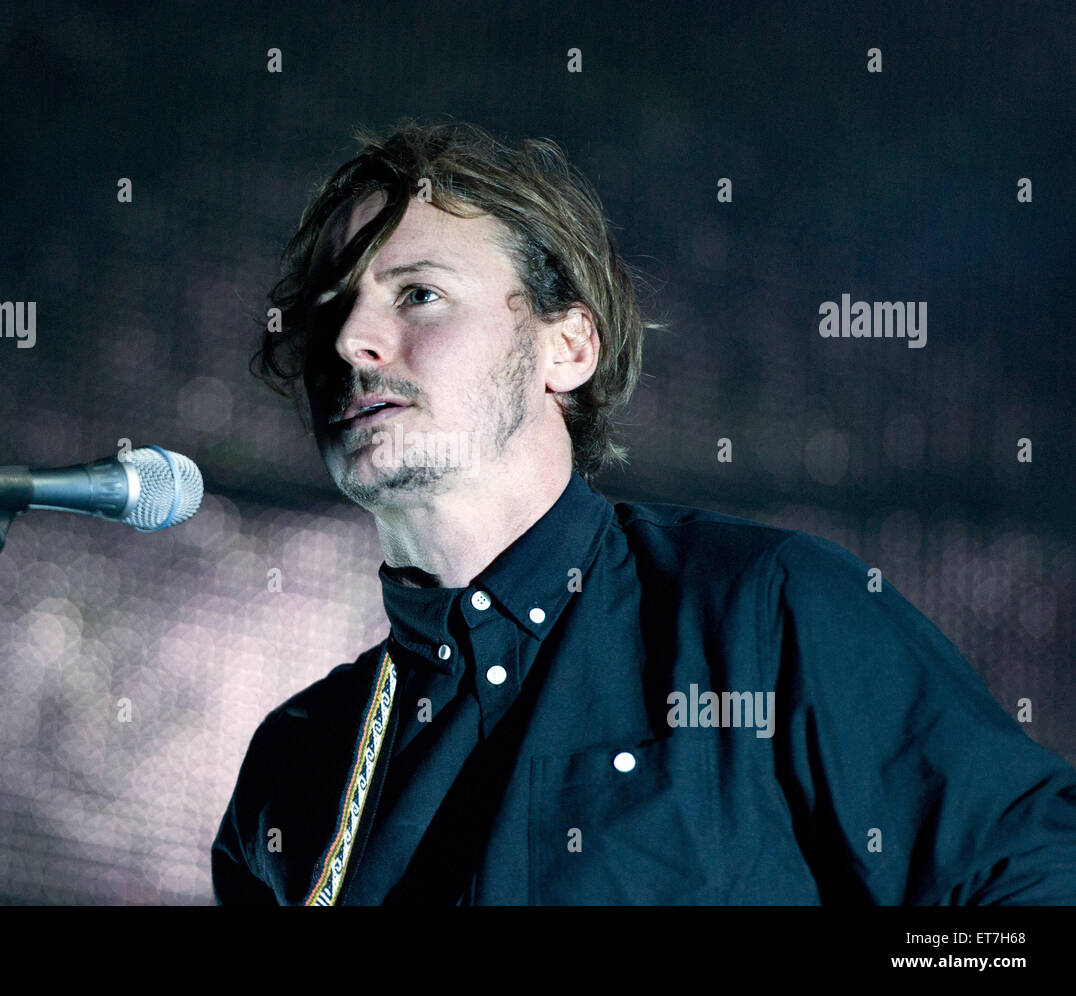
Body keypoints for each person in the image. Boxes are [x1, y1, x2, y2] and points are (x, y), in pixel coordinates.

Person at [210, 119, 1076, 905]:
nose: (348, 338)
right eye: (329, 304)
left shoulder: (765, 614)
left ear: (567, 346)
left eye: (417, 293)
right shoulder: (300, 763)